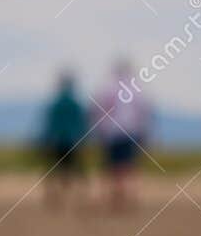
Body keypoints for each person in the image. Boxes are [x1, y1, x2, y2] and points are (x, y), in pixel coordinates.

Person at [92, 62, 152, 211]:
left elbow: (99, 112)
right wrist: (144, 133)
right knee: (129, 166)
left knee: (112, 167)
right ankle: (129, 198)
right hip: (131, 132)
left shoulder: (108, 89)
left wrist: (100, 131)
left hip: (113, 134)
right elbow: (144, 114)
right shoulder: (137, 89)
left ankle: (115, 199)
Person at [40, 71, 88, 207]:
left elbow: (50, 125)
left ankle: (55, 198)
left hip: (57, 141)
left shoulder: (56, 104)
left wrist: (46, 141)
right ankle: (79, 198)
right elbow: (82, 125)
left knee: (56, 170)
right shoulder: (76, 105)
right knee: (75, 170)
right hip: (73, 142)